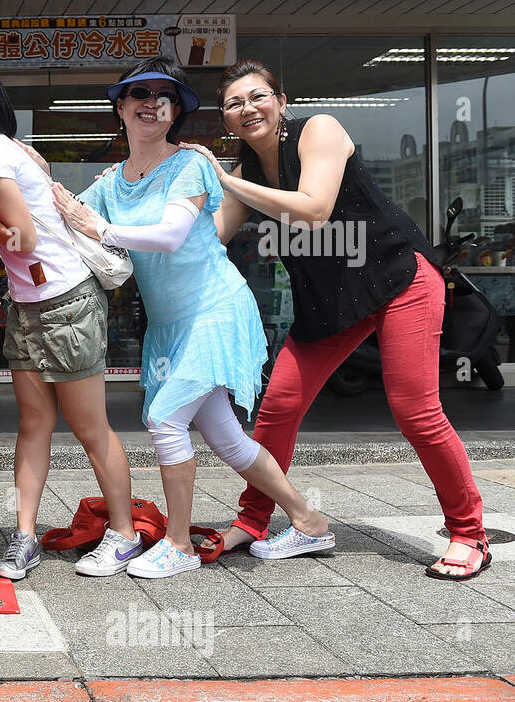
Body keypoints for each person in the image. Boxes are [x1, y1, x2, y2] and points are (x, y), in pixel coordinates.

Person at [180, 59, 489, 580]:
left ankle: (469, 534)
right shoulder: (245, 174)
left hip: (398, 280)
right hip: (330, 302)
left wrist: (222, 180)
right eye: (233, 104)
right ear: (226, 121)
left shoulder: (318, 130)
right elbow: (207, 237)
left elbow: (314, 208)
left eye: (258, 97)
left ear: (280, 102)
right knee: (277, 407)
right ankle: (254, 520)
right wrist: (124, 214)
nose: (247, 108)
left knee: (415, 411)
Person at [52, 57, 331, 578]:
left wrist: (100, 230)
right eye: (139, 94)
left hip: (214, 311)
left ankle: (178, 544)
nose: (151, 102)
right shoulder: (111, 183)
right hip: (168, 326)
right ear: (121, 108)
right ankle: (308, 520)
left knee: (165, 420)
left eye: (165, 95)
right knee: (227, 438)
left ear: (175, 111)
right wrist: (25, 180)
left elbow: (171, 235)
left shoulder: (191, 165)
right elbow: (60, 213)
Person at [0, 60, 142, 579]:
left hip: (65, 303)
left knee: (90, 428)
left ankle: (125, 535)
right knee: (34, 425)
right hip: (30, 304)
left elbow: (18, 234)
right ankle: (24, 538)